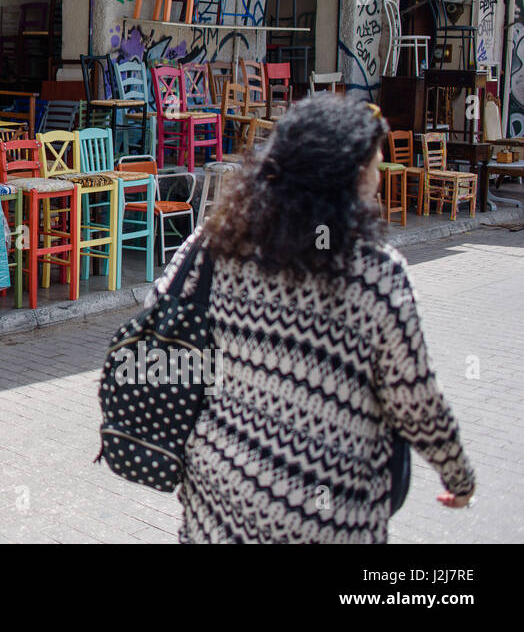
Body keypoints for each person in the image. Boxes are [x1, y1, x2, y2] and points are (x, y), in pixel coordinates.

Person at [163, 93, 475, 542]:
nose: (381, 167)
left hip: (220, 486)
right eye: (373, 159)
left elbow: (164, 317)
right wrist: (458, 475)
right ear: (348, 174)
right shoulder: (375, 273)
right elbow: (415, 399)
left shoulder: (215, 245)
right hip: (326, 510)